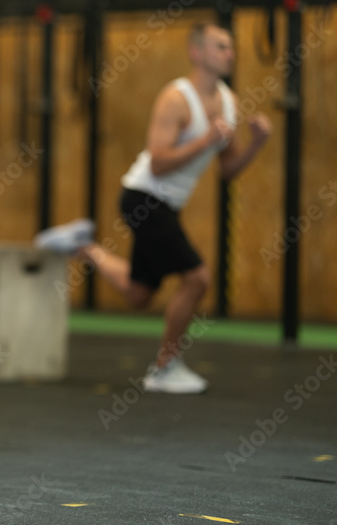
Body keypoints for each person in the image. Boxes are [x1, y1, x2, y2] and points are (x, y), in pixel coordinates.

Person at [37, 22, 271, 394]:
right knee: (198, 279)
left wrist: (256, 144)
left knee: (138, 294)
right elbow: (159, 161)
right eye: (220, 46)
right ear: (197, 53)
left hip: (168, 205)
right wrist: (206, 139)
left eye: (230, 47)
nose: (230, 53)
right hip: (144, 199)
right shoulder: (176, 99)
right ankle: (163, 368)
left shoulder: (229, 103)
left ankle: (82, 247)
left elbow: (228, 171)